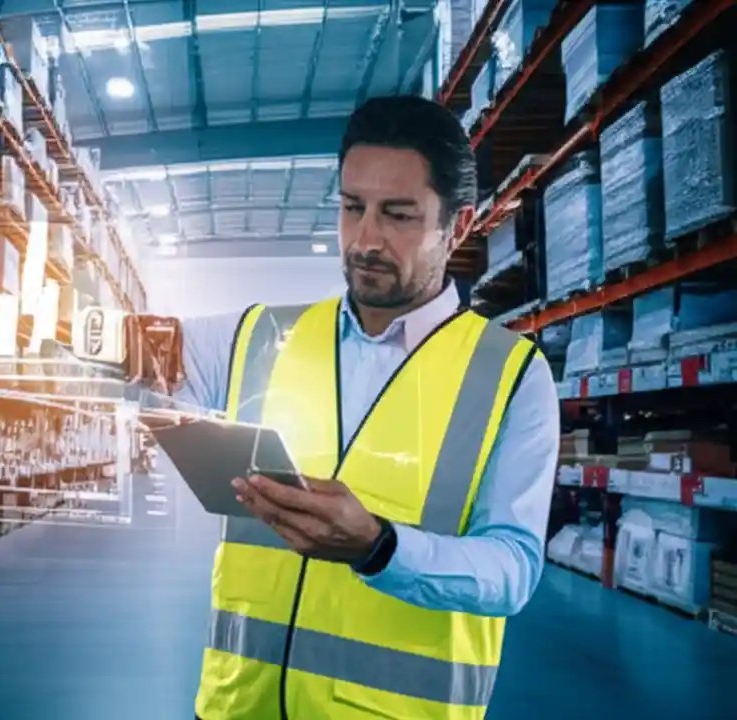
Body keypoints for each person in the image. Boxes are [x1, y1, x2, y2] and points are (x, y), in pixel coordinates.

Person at [172, 95, 560, 720]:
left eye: (398, 215)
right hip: (236, 706)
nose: (366, 239)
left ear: (458, 226)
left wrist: (380, 548)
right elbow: (138, 353)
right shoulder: (261, 335)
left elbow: (512, 569)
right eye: (352, 207)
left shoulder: (511, 375)